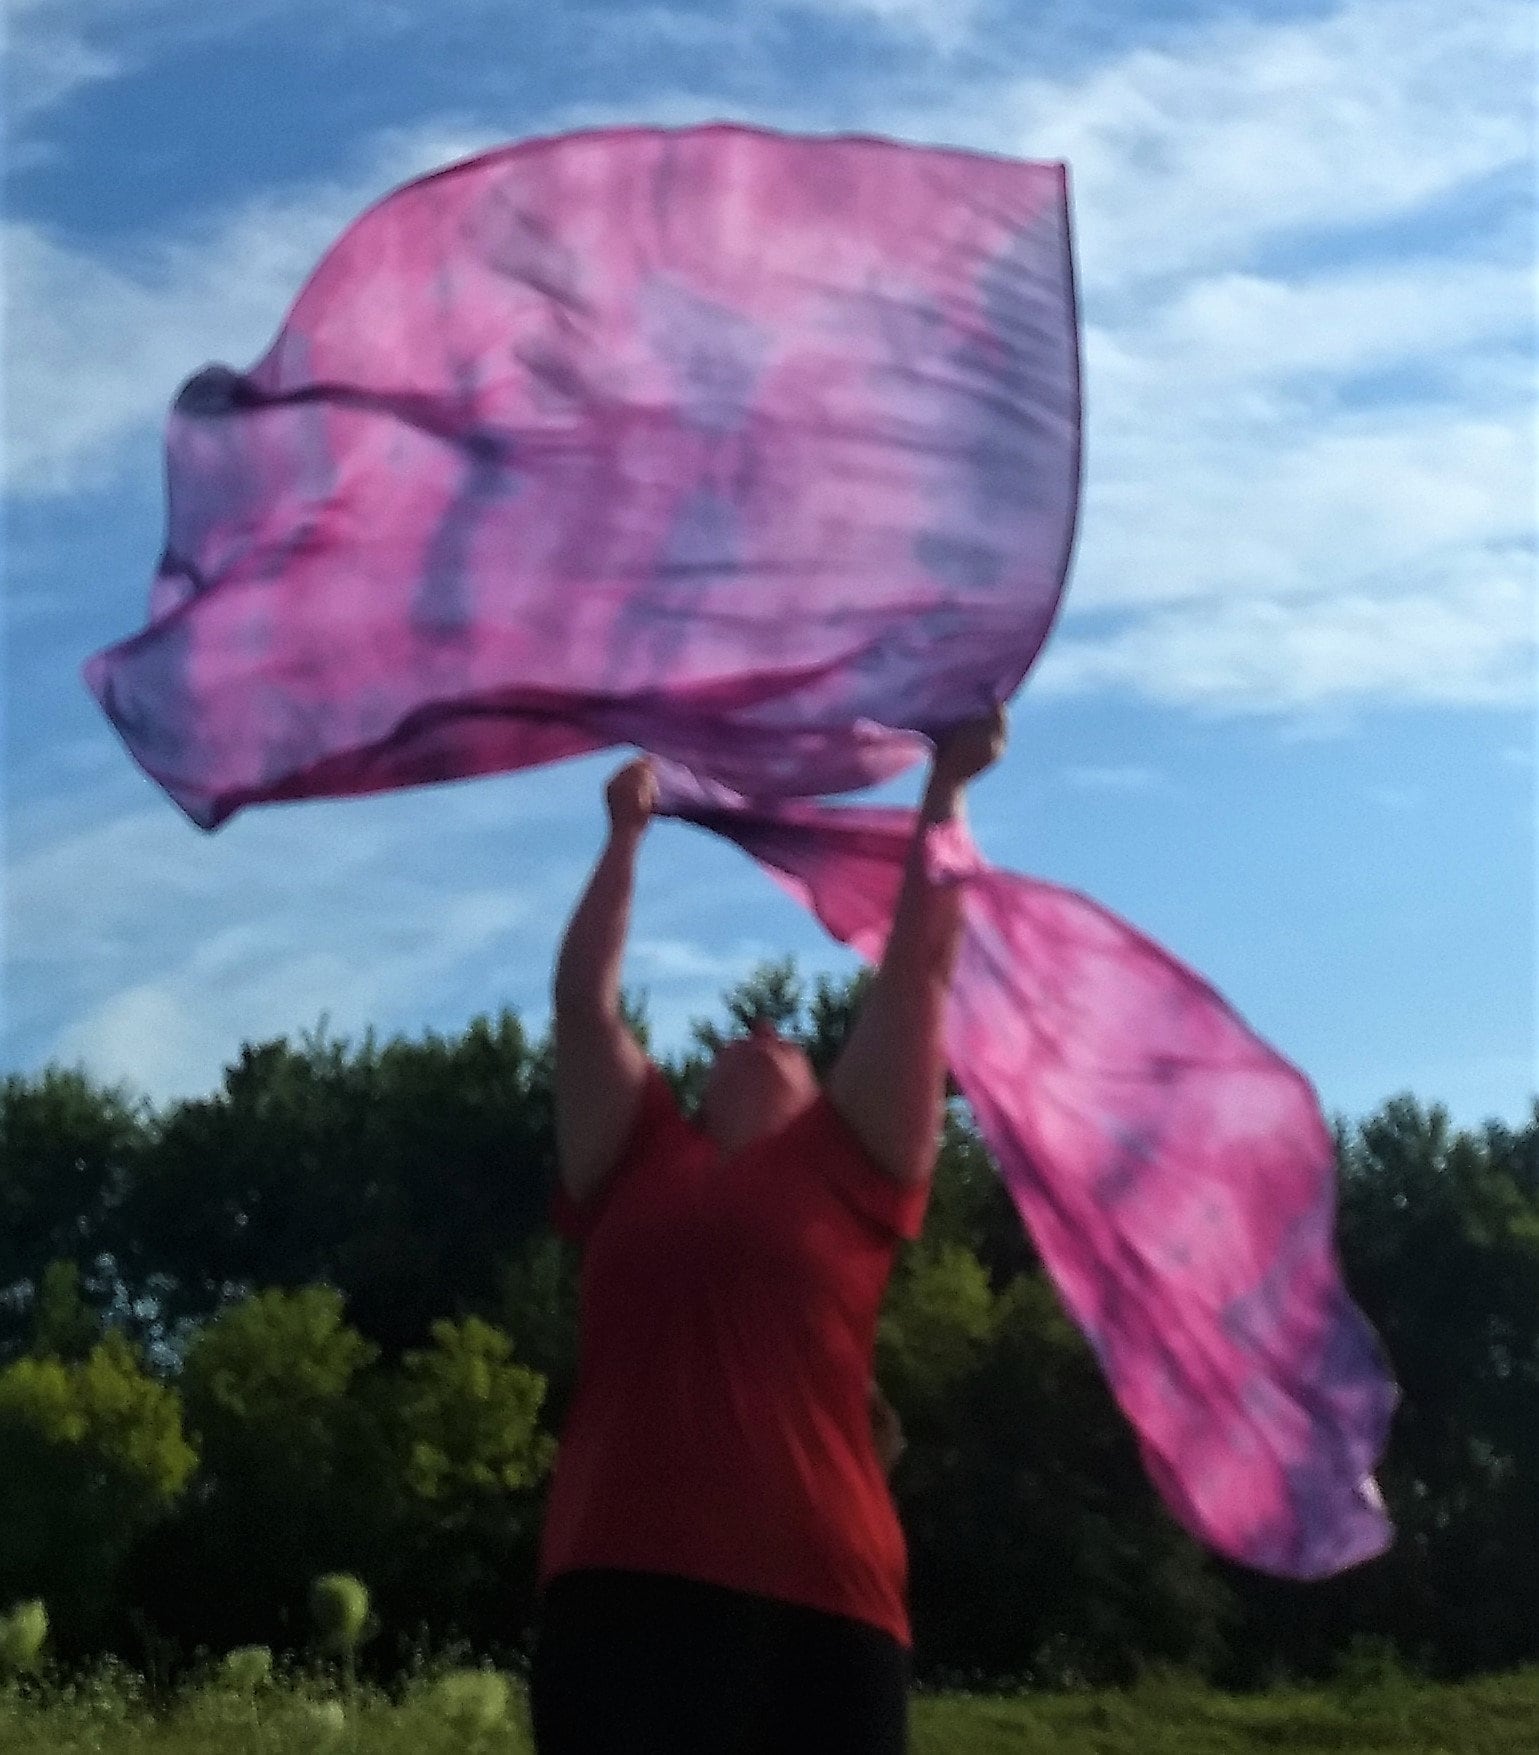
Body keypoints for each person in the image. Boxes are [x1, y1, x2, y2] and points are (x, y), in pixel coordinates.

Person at [530, 709, 1007, 1755]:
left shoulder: (856, 1161)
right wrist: (623, 839)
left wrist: (948, 787)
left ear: (820, 1087)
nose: (757, 1032)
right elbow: (580, 1004)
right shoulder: (638, 1158)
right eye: (738, 1032)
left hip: (822, 1606)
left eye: (784, 1035)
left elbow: (921, 964)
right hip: (620, 1587)